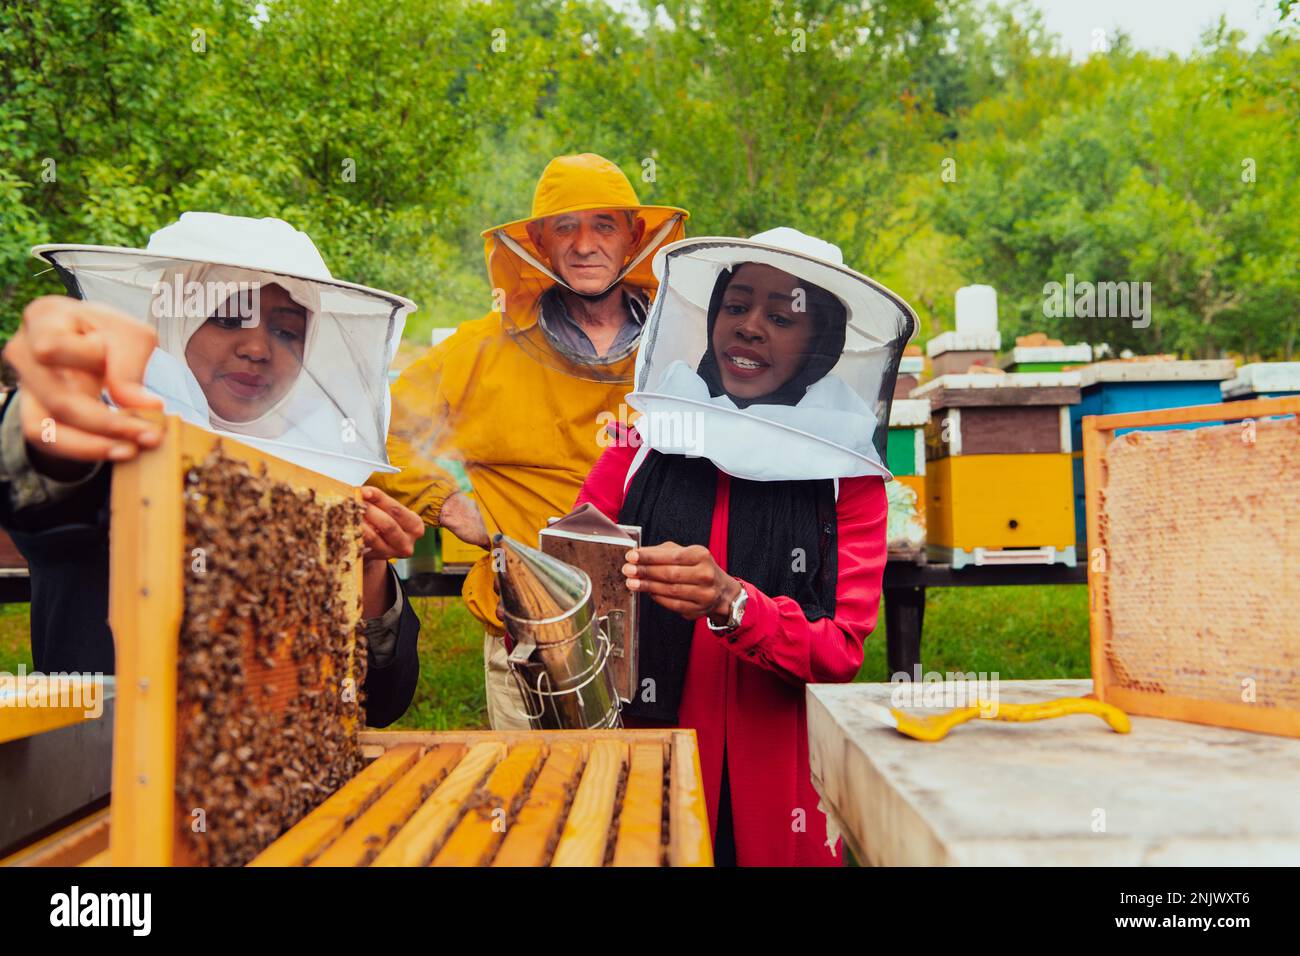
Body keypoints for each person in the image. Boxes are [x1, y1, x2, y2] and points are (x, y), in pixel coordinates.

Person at [574, 227, 916, 865]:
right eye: (737, 306)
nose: (751, 327)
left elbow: (840, 650)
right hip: (645, 755)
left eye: (782, 316)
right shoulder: (641, 439)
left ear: (821, 345)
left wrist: (735, 603)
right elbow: (576, 574)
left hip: (779, 776)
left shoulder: (846, 476)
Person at [0, 213, 425, 727]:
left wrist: (369, 567)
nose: (258, 348)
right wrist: (44, 400)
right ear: (171, 324)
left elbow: (381, 703)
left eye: (288, 332)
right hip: (101, 787)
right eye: (227, 319)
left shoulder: (317, 478)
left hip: (281, 796)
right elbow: (44, 479)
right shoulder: (108, 447)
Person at [372, 153, 688, 729]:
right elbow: (374, 429)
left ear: (634, 236)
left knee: (657, 807)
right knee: (542, 808)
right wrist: (446, 504)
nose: (585, 244)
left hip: (668, 629)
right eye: (566, 227)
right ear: (540, 242)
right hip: (531, 636)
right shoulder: (480, 350)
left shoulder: (681, 350)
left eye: (604, 225)